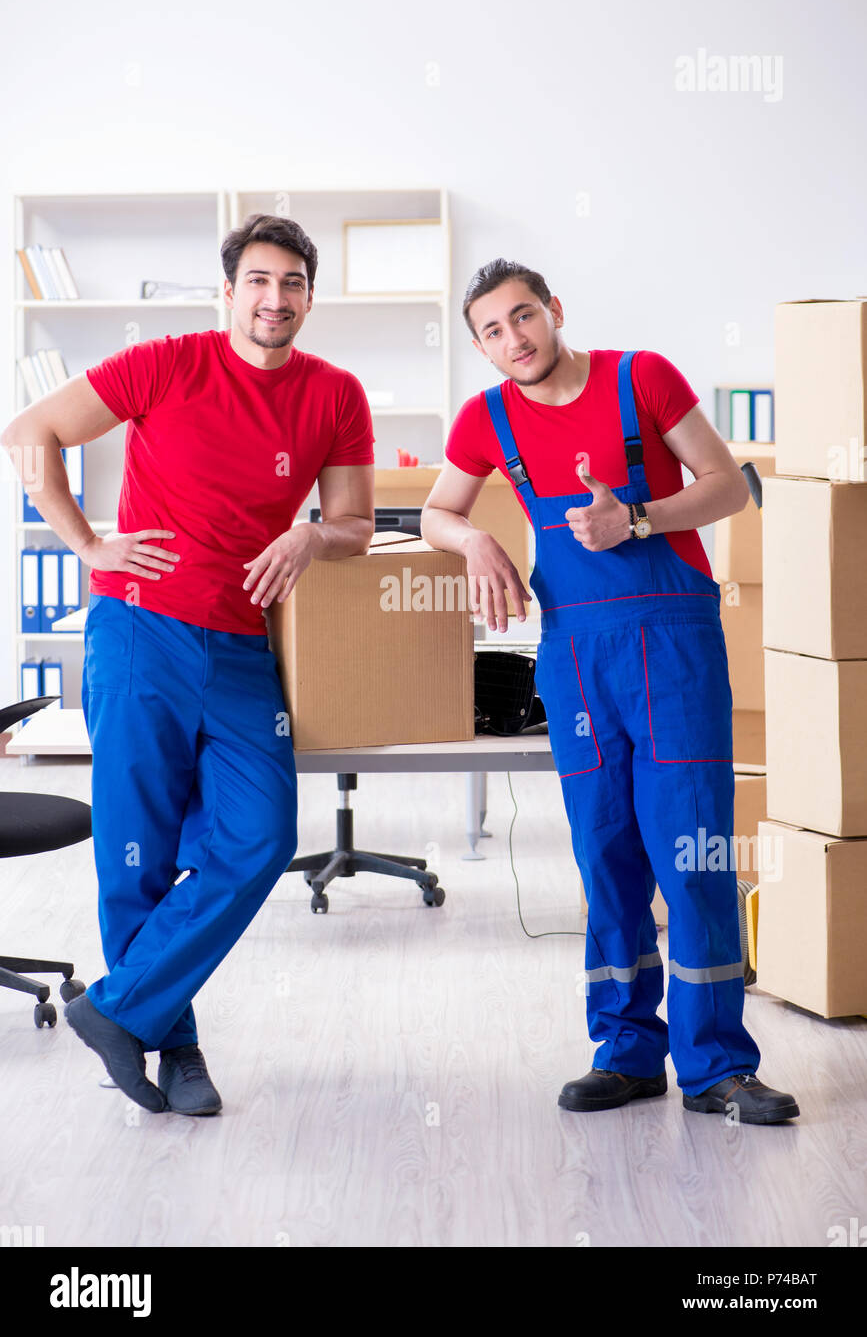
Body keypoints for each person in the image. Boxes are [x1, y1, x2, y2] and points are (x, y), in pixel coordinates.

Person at [2, 214, 375, 1116]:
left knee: (258, 837)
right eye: (258, 280)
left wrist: (308, 533)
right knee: (139, 853)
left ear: (309, 297)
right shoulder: (167, 362)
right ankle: (178, 1049)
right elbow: (30, 432)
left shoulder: (334, 394)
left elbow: (357, 528)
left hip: (244, 644)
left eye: (291, 283)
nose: (274, 298)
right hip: (141, 633)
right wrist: (87, 544)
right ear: (228, 290)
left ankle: (121, 1008)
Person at [420, 258, 799, 1126]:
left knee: (692, 851)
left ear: (553, 311)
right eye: (491, 330)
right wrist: (474, 544)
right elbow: (440, 509)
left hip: (672, 648)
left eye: (523, 317)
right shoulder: (486, 418)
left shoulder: (641, 378)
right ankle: (626, 1052)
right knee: (606, 857)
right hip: (577, 655)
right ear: (479, 347)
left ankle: (716, 1068)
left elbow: (728, 486)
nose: (513, 339)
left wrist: (634, 517)